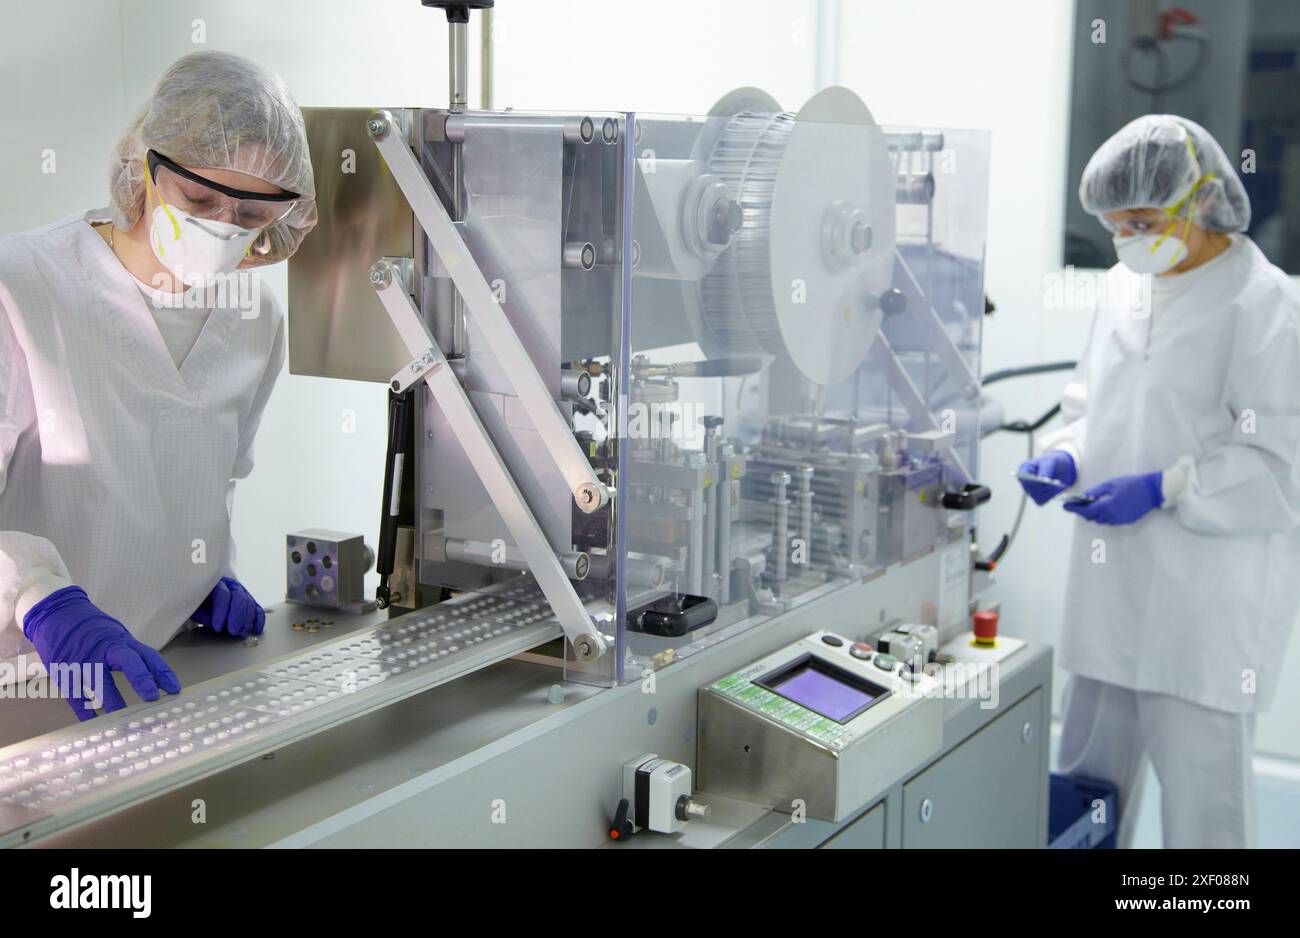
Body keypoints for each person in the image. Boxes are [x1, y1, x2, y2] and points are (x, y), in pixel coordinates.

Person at [0, 51, 316, 719]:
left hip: (155, 677)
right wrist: (38, 595)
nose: (220, 226)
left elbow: (211, 480)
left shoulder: (254, 318)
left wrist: (198, 574)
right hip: (22, 685)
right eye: (199, 198)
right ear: (144, 165)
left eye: (251, 215)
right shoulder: (20, 286)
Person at [1019, 115, 1300, 848]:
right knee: (1082, 800)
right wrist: (1067, 456)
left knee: (1205, 821)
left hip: (1203, 617)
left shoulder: (1263, 303)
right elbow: (1094, 409)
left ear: (1200, 199)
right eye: (1117, 226)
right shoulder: (1122, 287)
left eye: (1142, 220)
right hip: (1111, 600)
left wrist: (1167, 487)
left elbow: (1276, 463)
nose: (1128, 239)